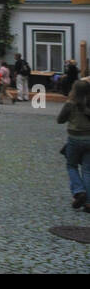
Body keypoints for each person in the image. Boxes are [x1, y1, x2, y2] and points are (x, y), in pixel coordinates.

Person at [57, 79, 90, 211]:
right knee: (88, 170)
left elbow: (60, 120)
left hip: (74, 138)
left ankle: (79, 191)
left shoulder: (70, 103)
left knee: (71, 165)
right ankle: (88, 203)